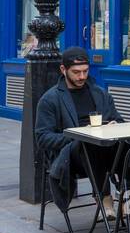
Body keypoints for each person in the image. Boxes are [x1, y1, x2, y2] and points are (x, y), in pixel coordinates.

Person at [35, 47, 123, 215]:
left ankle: (128, 196)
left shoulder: (100, 93)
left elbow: (119, 120)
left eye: (85, 71)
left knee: (128, 145)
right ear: (63, 69)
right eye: (76, 72)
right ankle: (104, 197)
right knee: (90, 145)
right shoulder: (50, 99)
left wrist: (115, 125)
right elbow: (42, 138)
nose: (82, 77)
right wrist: (79, 135)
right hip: (71, 155)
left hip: (106, 149)